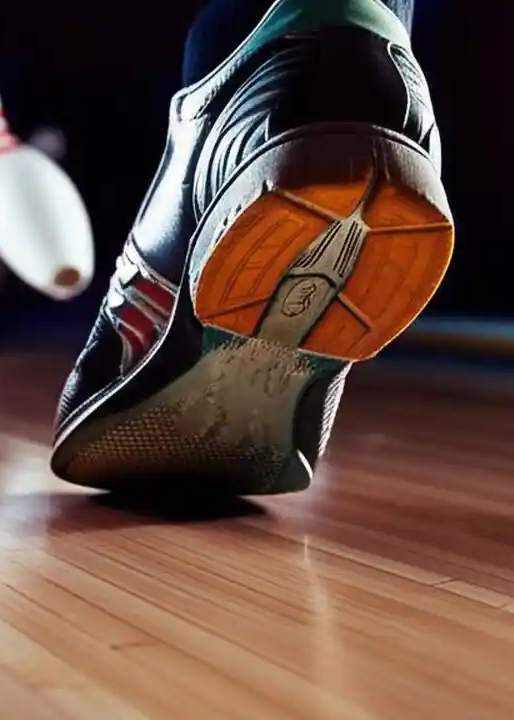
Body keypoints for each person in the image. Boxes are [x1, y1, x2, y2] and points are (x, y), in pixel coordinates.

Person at [51, 0, 454, 494]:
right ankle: (372, 53)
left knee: (224, 30)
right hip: (395, 82)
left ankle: (234, 98)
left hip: (264, 79)